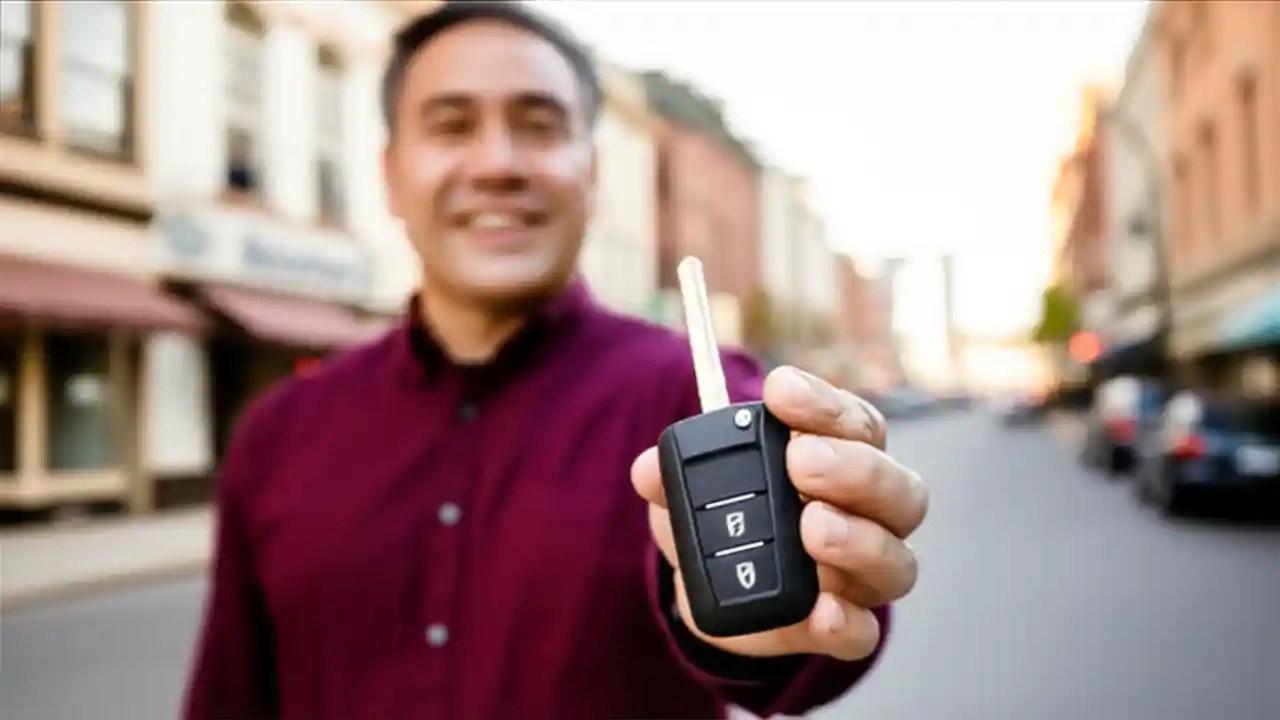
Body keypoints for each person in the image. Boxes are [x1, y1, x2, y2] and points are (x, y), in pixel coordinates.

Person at [183, 2, 929, 718]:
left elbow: (804, 636)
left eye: (538, 126)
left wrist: (792, 608)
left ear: (593, 173)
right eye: (451, 126)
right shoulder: (278, 434)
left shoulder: (692, 394)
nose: (499, 163)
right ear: (390, 174)